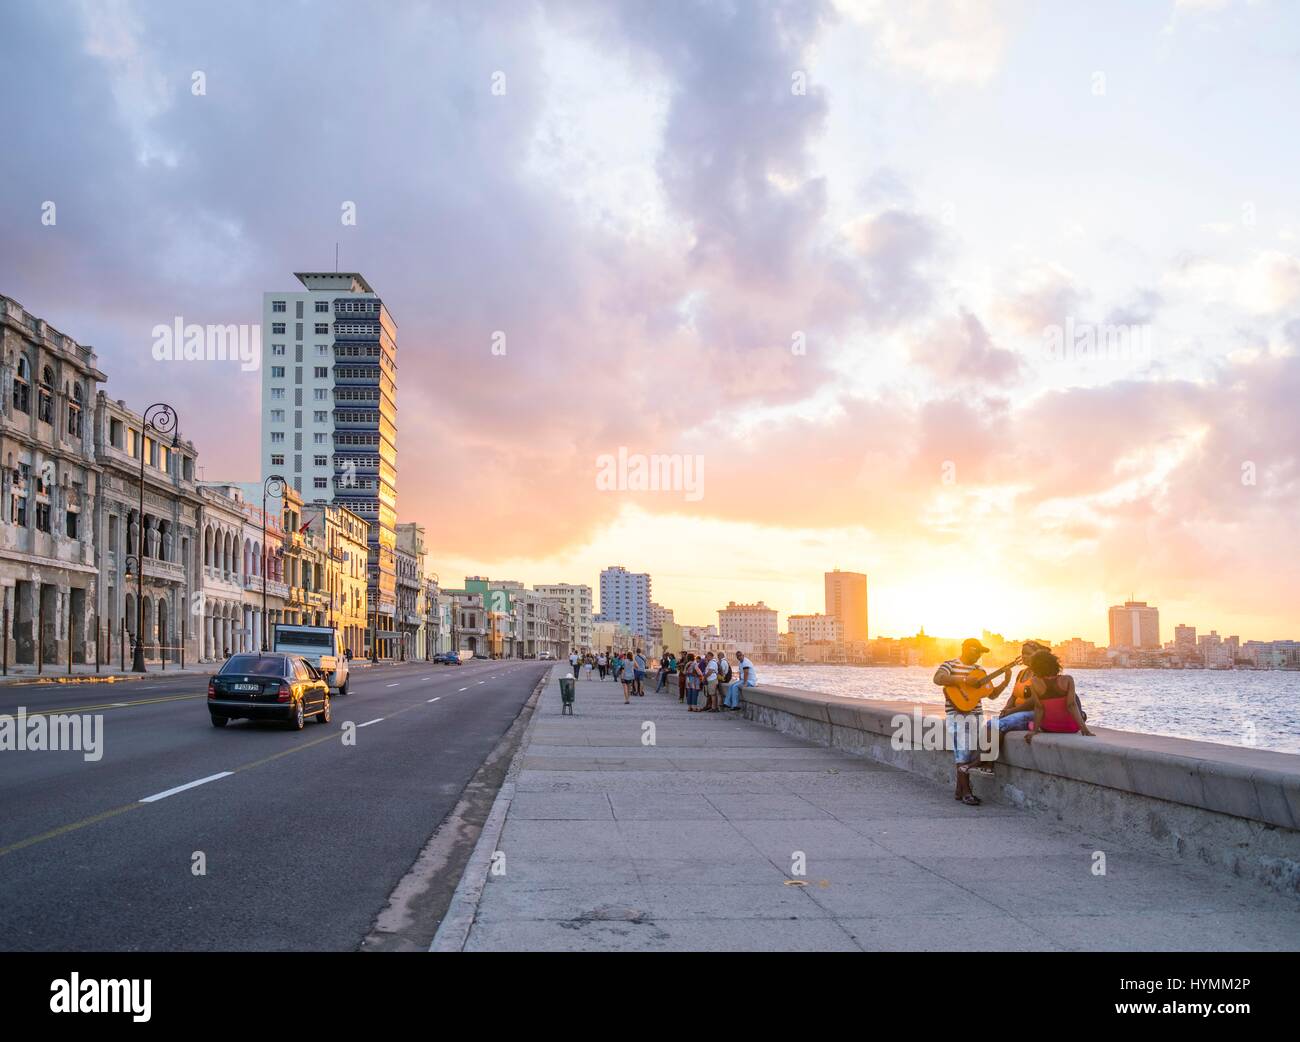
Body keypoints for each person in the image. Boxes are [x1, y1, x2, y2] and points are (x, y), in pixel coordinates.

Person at [933, 638, 1011, 807]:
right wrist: (964, 681)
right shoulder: (950, 664)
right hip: (956, 714)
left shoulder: (980, 670)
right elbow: (938, 678)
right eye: (976, 651)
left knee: (970, 752)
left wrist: (1005, 682)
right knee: (963, 752)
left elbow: (991, 695)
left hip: (976, 714)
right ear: (966, 648)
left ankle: (959, 790)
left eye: (981, 653)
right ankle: (967, 792)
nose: (978, 655)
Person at [1024, 650, 1094, 742]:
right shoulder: (1068, 679)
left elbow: (1039, 708)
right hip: (1071, 728)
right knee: (1081, 710)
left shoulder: (1034, 682)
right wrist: (1085, 730)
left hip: (1048, 728)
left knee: (1030, 723)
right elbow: (1071, 705)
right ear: (1054, 664)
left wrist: (1034, 731)